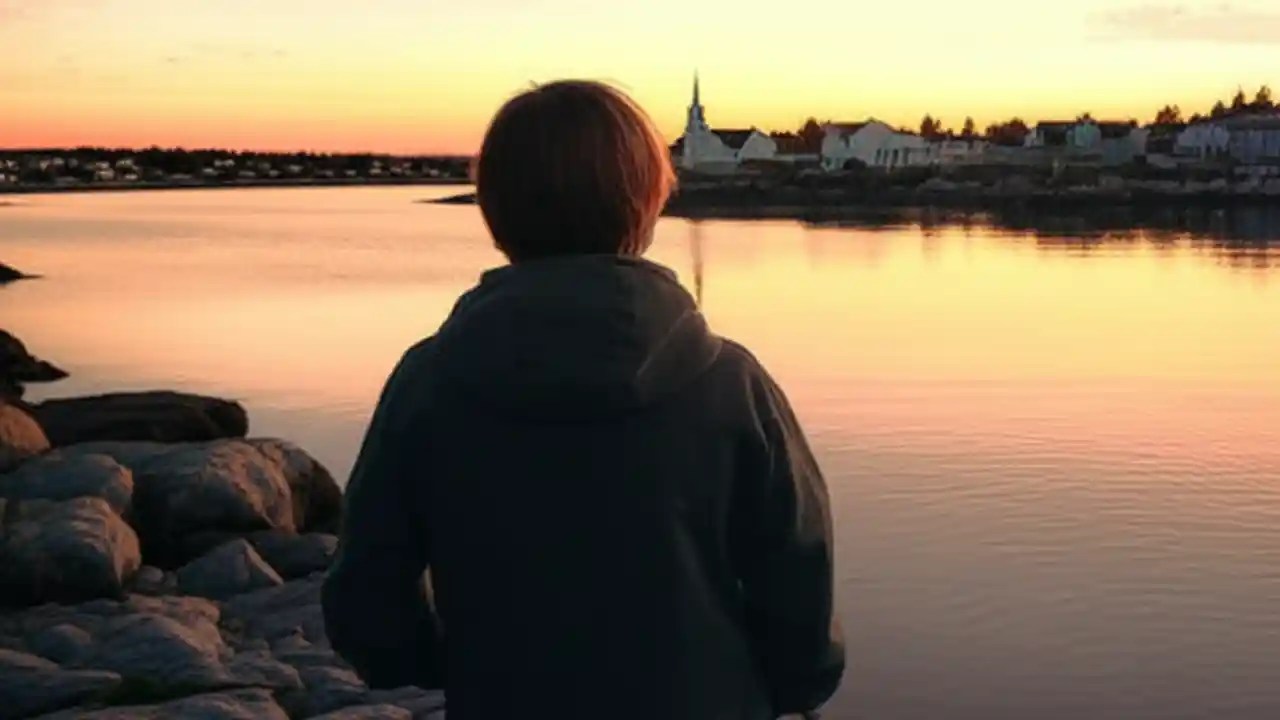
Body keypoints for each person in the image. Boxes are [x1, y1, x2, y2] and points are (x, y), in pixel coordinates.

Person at [322, 79, 844, 720]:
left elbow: (367, 587)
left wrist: (439, 664)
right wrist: (792, 687)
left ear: (494, 209)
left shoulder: (429, 381)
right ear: (648, 203)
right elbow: (798, 571)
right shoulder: (731, 382)